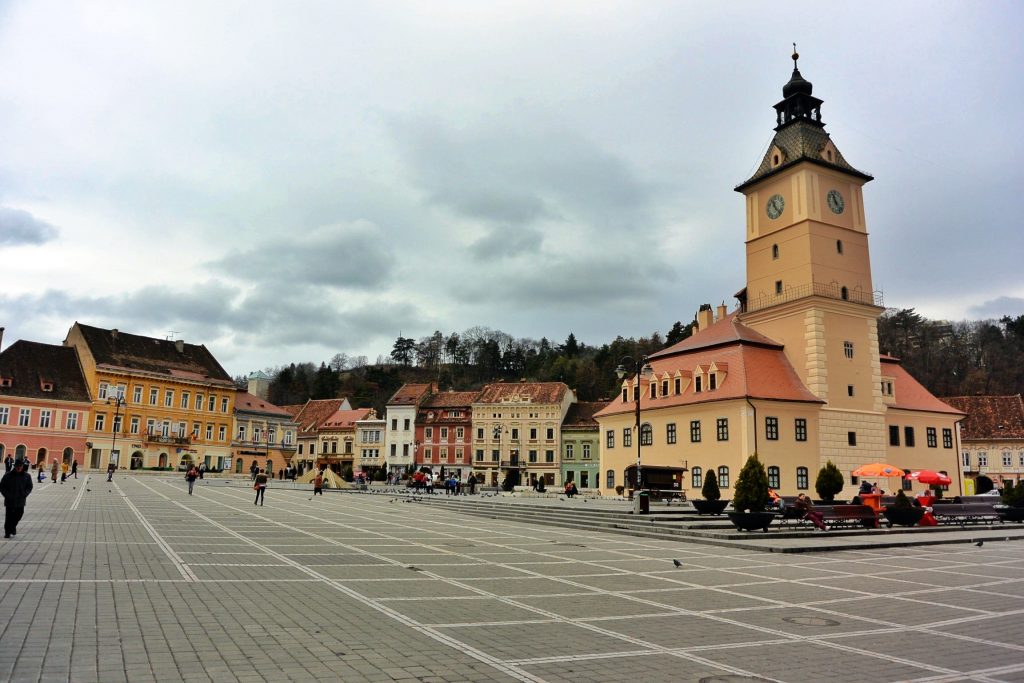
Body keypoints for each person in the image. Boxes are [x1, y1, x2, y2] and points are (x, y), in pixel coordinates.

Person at [1, 458, 33, 538]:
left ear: (22, 466)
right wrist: (7, 495)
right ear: (15, 466)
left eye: (20, 466)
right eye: (17, 466)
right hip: (9, 500)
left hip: (20, 499)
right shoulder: (7, 475)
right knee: (9, 517)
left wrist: (24, 494)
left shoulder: (27, 476)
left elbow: (29, 487)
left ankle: (13, 527)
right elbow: (2, 487)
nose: (19, 468)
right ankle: (7, 532)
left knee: (19, 515)